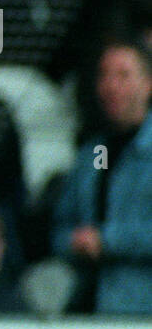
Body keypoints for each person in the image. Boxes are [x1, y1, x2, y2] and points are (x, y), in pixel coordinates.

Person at [52, 41, 152, 314]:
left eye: (123, 75)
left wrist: (107, 240)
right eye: (104, 75)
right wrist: (74, 242)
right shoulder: (90, 155)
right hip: (88, 311)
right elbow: (60, 227)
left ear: (148, 84)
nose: (111, 85)